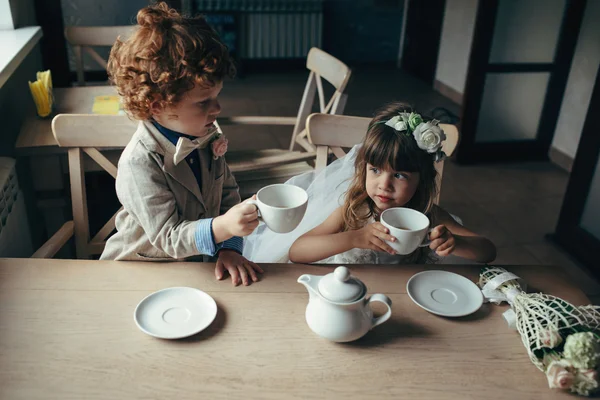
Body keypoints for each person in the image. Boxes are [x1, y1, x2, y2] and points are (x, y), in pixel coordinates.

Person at [100, 2, 262, 286]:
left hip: (197, 267)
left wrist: (229, 247)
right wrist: (223, 226)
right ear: (158, 105)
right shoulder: (139, 163)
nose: (218, 108)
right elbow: (169, 238)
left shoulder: (205, 134)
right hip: (140, 271)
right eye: (203, 102)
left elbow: (228, 195)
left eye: (217, 96)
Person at [244, 102, 496, 265]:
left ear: (422, 179)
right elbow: (297, 251)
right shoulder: (354, 210)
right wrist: (354, 238)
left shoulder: (430, 216)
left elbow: (487, 251)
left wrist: (456, 243)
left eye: (399, 175)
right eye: (375, 170)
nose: (383, 185)